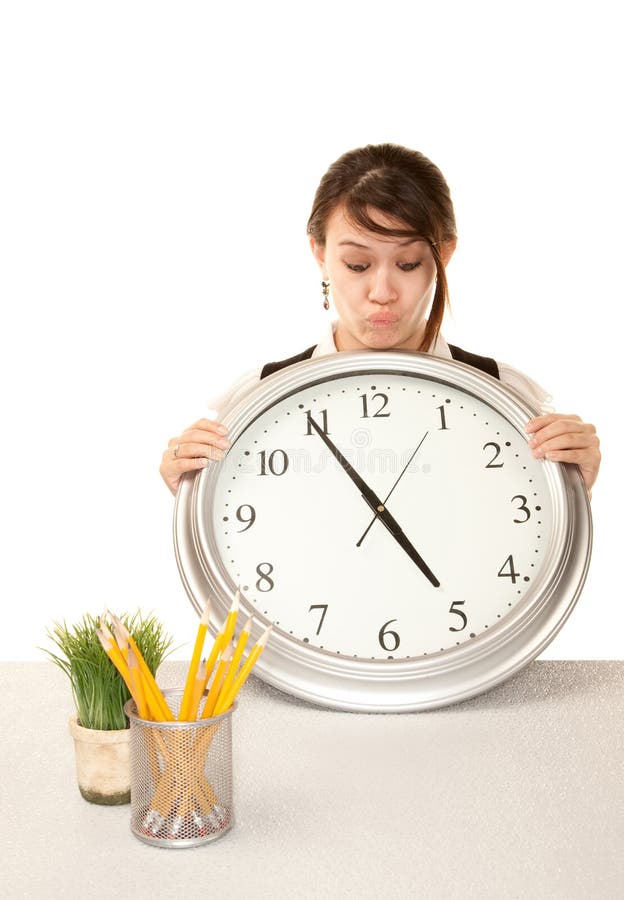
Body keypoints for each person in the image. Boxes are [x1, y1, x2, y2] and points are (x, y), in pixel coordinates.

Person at [160, 143, 600, 498]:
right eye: (357, 265)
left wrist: (571, 487)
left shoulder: (506, 400)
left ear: (443, 255)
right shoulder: (259, 401)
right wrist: (196, 494)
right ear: (320, 254)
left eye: (407, 264)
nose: (382, 292)